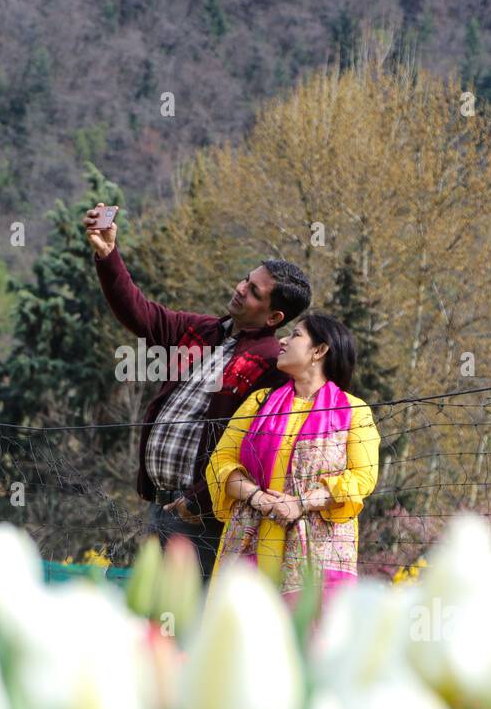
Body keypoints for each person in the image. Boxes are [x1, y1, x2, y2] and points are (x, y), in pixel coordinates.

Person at [84, 202, 312, 582]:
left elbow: (255, 447)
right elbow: (140, 313)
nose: (240, 289)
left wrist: (200, 499)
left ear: (274, 318)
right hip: (161, 503)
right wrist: (108, 255)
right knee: (156, 618)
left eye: (254, 291)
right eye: (245, 279)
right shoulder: (204, 331)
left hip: (202, 518)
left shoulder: (274, 363)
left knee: (186, 620)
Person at [206, 313, 380, 605]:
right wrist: (257, 497)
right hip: (251, 546)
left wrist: (300, 503)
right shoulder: (259, 402)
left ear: (320, 350)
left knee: (306, 641)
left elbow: (362, 478)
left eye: (296, 335)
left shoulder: (354, 412)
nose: (283, 341)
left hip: (316, 555)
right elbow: (220, 461)